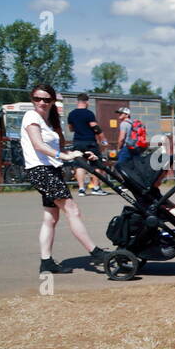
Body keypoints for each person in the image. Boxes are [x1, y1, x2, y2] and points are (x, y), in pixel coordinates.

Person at [21, 85, 109, 274]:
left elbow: (57, 151)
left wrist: (80, 155)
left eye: (46, 99)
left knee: (51, 217)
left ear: (53, 101)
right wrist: (64, 156)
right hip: (41, 170)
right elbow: (38, 145)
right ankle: (95, 252)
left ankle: (46, 262)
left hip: (51, 169)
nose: (42, 103)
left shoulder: (50, 122)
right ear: (32, 99)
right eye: (37, 99)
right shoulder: (31, 117)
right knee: (72, 209)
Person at [65, 93, 106, 195]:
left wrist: (79, 127)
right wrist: (103, 140)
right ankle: (96, 188)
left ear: (77, 102)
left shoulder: (71, 114)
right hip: (90, 141)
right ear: (87, 102)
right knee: (96, 163)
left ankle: (81, 189)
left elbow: (70, 128)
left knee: (79, 165)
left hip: (78, 142)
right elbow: (95, 127)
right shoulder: (89, 113)